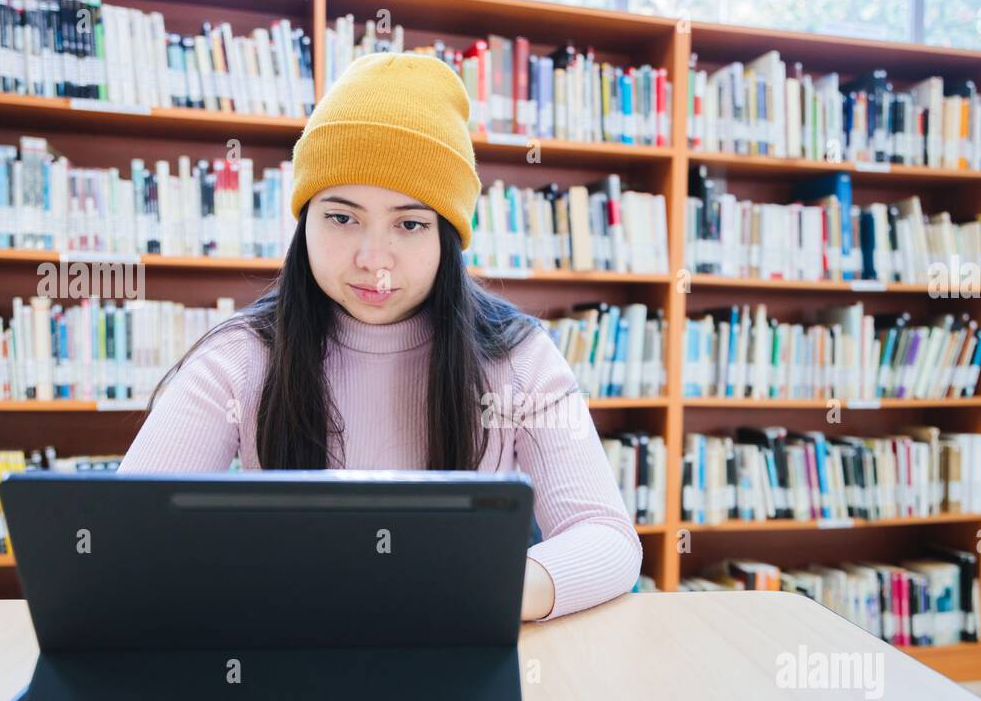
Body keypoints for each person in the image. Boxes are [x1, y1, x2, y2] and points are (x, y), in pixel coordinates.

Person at [118, 52, 642, 621]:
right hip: (293, 661)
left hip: (456, 652)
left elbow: (607, 538)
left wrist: (486, 589)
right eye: (341, 218)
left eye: (410, 224)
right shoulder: (243, 357)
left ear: (448, 238)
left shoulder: (515, 358)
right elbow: (122, 538)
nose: (373, 260)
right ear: (304, 223)